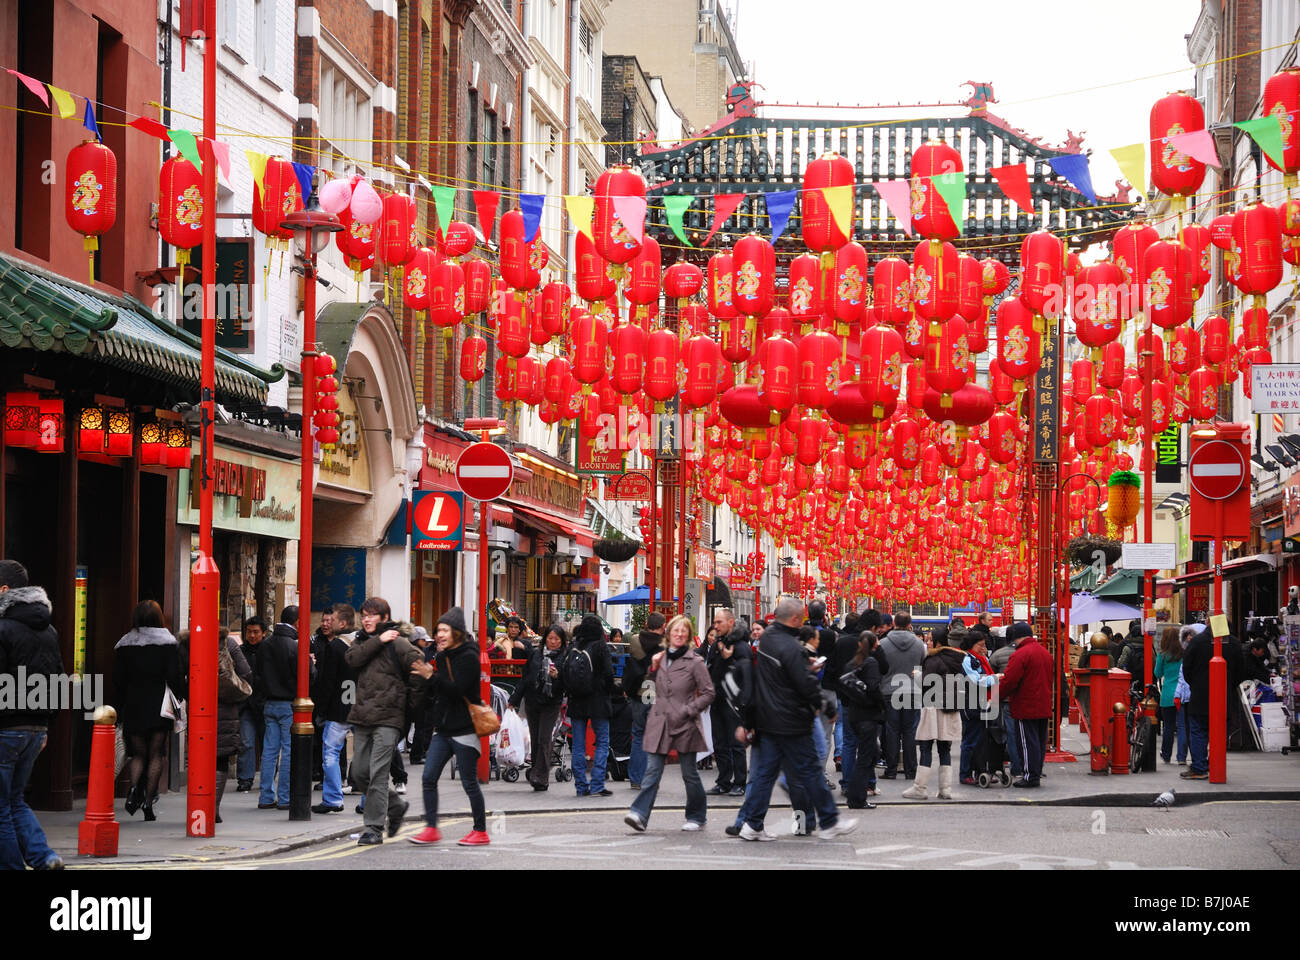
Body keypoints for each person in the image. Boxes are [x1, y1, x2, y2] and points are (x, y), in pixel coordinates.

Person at [731, 597, 857, 842]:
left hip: (767, 720)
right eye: (801, 618)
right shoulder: (791, 647)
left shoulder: (767, 639)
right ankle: (829, 821)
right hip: (791, 720)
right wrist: (828, 706)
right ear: (795, 619)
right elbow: (805, 684)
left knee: (764, 776)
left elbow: (783, 675)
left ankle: (752, 824)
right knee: (810, 770)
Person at [0, 559, 65, 870]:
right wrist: (46, 726)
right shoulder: (49, 629)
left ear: (4, 589)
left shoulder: (3, 629)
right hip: (35, 727)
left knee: (1, 806)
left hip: (5, 727)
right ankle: (44, 857)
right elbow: (58, 679)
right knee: (14, 800)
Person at [624, 615, 716, 832]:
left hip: (685, 722)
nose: (679, 634)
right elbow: (652, 685)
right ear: (668, 634)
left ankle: (697, 815)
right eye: (675, 631)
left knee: (689, 773)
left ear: (688, 636)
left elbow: (709, 692)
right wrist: (653, 669)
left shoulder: (696, 662)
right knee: (652, 771)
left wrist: (689, 709)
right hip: (661, 720)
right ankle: (639, 814)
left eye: (683, 631)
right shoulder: (660, 658)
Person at [343, 597, 422, 844]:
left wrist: (409, 704)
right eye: (363, 614)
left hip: (388, 718)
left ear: (385, 618)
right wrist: (378, 639)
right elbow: (352, 660)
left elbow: (420, 667)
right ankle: (395, 805)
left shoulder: (398, 643)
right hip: (363, 716)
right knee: (358, 773)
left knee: (378, 774)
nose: (366, 619)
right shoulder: (362, 641)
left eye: (372, 615)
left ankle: (373, 828)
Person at [409, 607, 489, 846]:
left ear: (457, 632)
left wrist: (430, 677)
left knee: (469, 782)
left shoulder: (469, 657)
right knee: (428, 777)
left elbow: (457, 691)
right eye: (438, 630)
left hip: (465, 728)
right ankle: (431, 828)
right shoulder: (442, 657)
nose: (440, 634)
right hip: (443, 730)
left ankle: (480, 830)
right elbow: (440, 691)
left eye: (444, 630)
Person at [114, 600, 185, 821]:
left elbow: (118, 681)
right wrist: (181, 699)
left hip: (133, 704)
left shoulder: (124, 646)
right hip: (159, 705)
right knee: (156, 754)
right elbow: (175, 677)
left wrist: (118, 709)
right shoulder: (169, 644)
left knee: (137, 754)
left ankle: (134, 788)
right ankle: (148, 802)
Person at [904, 625, 967, 800]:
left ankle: (920, 788)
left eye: (930, 639)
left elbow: (926, 684)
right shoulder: (955, 659)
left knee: (925, 747)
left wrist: (917, 675)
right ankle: (945, 789)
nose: (927, 641)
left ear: (939, 642)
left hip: (932, 708)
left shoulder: (933, 660)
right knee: (944, 749)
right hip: (950, 708)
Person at [255, 607, 304, 811]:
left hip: (269, 703)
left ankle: (266, 796)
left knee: (269, 751)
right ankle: (284, 798)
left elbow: (257, 674)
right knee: (289, 750)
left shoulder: (265, 644)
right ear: (297, 622)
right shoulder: (295, 645)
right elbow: (308, 674)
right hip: (288, 704)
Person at [508, 624, 567, 791]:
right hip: (533, 701)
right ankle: (536, 773)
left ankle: (541, 777)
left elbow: (567, 683)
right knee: (535, 739)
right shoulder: (535, 655)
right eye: (550, 638)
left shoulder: (564, 657)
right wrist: (514, 699)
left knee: (544, 738)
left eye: (557, 639)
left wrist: (557, 677)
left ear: (562, 641)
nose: (553, 642)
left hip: (551, 703)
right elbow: (525, 679)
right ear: (545, 639)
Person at [313, 603, 359, 813]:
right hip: (363, 708)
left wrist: (321, 708)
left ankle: (333, 799)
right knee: (367, 754)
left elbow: (327, 681)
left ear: (342, 623)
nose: (328, 623)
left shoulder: (335, 647)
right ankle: (369, 800)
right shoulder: (365, 644)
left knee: (330, 752)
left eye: (332, 620)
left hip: (339, 709)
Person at [566, 615, 616, 797]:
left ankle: (581, 786)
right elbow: (609, 674)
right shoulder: (601, 646)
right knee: (602, 742)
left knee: (578, 745)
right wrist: (607, 689)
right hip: (599, 701)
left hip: (577, 700)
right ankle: (597, 784)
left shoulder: (574, 647)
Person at [1000, 621, 1052, 788]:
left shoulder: (1020, 654)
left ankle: (1030, 775)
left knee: (1026, 742)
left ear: (1017, 638)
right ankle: (1036, 771)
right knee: (1038, 741)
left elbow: (1010, 681)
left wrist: (996, 696)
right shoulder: (1045, 653)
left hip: (1025, 705)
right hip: (1043, 704)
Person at [838, 631, 883, 809]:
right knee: (866, 758)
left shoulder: (851, 664)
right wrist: (880, 704)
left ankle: (855, 794)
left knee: (870, 754)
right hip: (868, 716)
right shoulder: (870, 663)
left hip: (854, 713)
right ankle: (857, 798)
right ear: (873, 645)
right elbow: (873, 687)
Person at [879, 611, 925, 780]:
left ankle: (891, 770)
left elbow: (880, 668)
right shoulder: (919, 645)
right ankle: (911, 770)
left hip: (890, 691)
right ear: (909, 624)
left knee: (891, 731)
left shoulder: (883, 644)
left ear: (893, 623)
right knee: (910, 732)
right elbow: (921, 667)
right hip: (912, 691)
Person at [706, 607, 747, 796]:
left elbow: (746, 676)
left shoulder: (741, 647)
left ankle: (740, 782)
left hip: (734, 704)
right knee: (719, 744)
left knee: (736, 744)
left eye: (719, 622)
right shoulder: (717, 645)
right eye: (714, 622)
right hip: (717, 701)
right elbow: (712, 670)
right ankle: (723, 781)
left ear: (730, 622)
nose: (715, 626)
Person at [622, 611, 664, 791]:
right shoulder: (666, 644)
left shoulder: (635, 640)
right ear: (662, 627)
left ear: (647, 624)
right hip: (657, 694)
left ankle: (636, 778)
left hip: (640, 692)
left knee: (638, 735)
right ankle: (651, 778)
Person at [215, 628, 253, 824]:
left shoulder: (187, 643)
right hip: (226, 708)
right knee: (220, 759)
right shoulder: (228, 643)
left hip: (199, 707)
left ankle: (199, 804)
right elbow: (246, 672)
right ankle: (213, 807)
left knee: (201, 756)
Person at [957, 628, 997, 785]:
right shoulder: (967, 659)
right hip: (971, 704)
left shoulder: (980, 658)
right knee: (969, 740)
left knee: (980, 740)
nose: (983, 648)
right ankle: (965, 773)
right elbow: (975, 680)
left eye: (984, 644)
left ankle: (980, 770)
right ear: (971, 645)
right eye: (980, 645)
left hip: (981, 703)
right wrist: (994, 678)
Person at [235, 616, 267, 792]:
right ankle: (245, 778)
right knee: (246, 742)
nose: (252, 636)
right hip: (246, 704)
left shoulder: (268, 650)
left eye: (256, 632)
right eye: (249, 632)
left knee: (267, 744)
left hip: (265, 703)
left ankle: (267, 776)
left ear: (264, 633)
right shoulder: (239, 651)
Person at [309, 606, 335, 785]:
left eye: (329, 621)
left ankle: (333, 775)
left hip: (334, 697)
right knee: (315, 736)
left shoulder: (341, 643)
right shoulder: (314, 641)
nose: (325, 624)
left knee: (331, 739)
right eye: (323, 620)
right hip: (315, 696)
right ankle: (315, 770)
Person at [1153, 626, 1186, 765]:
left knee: (1168, 726)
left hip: (1167, 694)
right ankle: (1182, 757)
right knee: (1183, 726)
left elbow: (1157, 673)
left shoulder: (1163, 655)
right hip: (1182, 693)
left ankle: (1166, 755)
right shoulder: (1184, 653)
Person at [408, 625, 434, 764]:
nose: (426, 643)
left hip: (413, 696)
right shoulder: (418, 654)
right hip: (418, 697)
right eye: (423, 640)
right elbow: (417, 681)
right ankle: (416, 755)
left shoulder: (412, 652)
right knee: (420, 727)